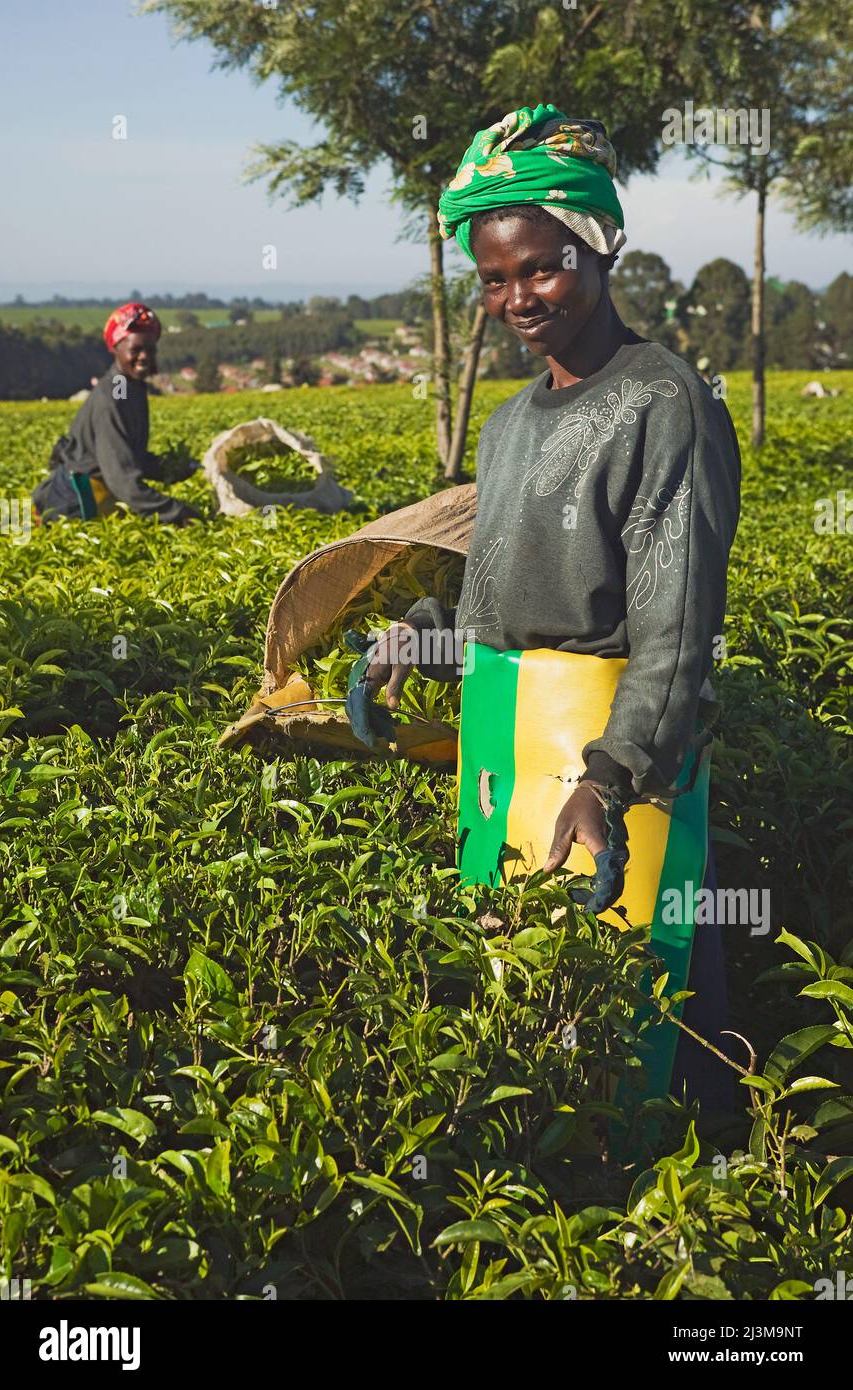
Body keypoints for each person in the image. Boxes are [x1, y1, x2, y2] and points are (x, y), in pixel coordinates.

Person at [363, 104, 742, 1110]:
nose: (518, 297)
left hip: (616, 767)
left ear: (596, 246)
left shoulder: (663, 402)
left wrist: (610, 779)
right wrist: (425, 637)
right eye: (494, 278)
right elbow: (499, 597)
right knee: (535, 1034)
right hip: (509, 768)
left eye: (542, 267)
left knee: (654, 1024)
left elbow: (676, 626)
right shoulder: (507, 427)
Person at [32, 302, 199, 526]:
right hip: (73, 506)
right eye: (135, 349)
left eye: (150, 349)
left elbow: (127, 454)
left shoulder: (127, 387)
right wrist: (177, 513)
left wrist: (170, 469)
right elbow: (122, 478)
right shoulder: (112, 398)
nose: (144, 357)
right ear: (117, 348)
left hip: (96, 499)